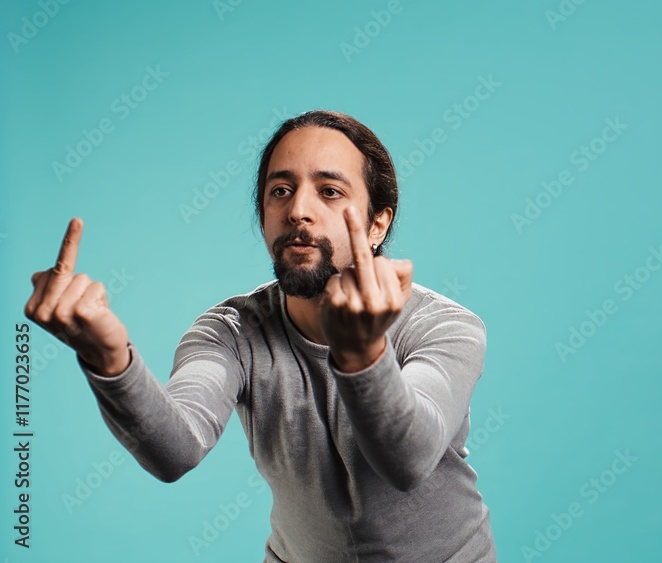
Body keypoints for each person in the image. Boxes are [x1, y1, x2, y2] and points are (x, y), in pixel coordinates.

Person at [23, 110, 497, 562]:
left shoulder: (444, 327)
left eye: (329, 191)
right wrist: (107, 357)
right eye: (280, 190)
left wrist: (361, 353)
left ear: (376, 224)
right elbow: (175, 448)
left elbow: (407, 460)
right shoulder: (231, 331)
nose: (298, 210)